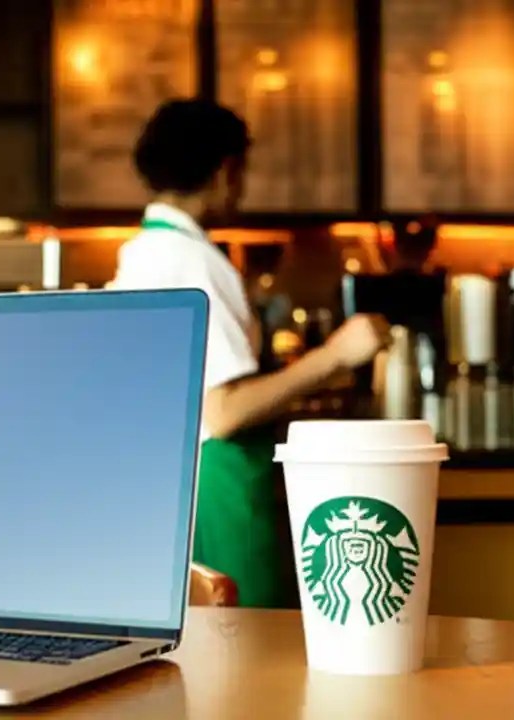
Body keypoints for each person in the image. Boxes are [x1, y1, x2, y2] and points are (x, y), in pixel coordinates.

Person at [111, 99, 390, 608]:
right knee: (252, 662)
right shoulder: (191, 261)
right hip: (220, 492)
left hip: (171, 490)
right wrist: (336, 354)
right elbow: (224, 412)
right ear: (226, 170)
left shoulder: (142, 253)